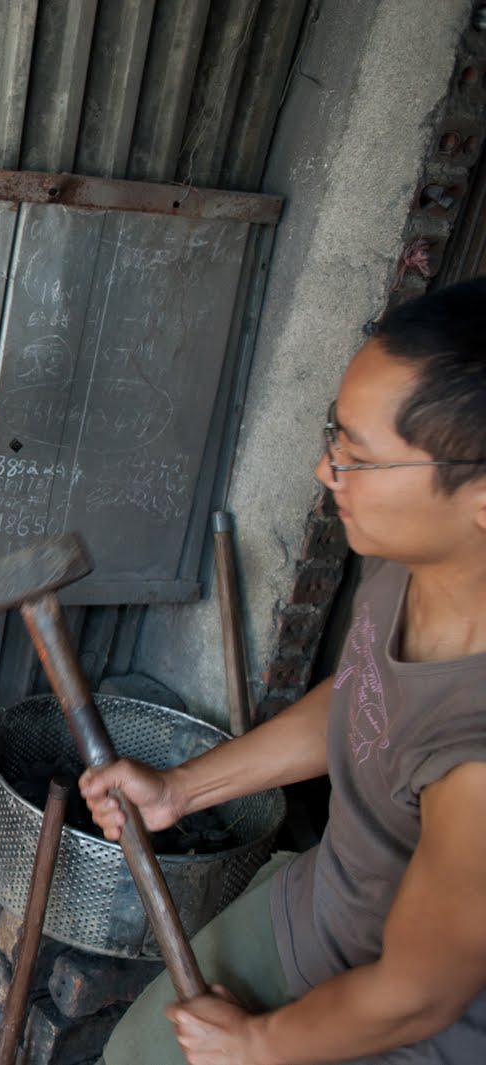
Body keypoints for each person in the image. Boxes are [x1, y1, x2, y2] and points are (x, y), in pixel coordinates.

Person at [82, 276, 486, 1065]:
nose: (324, 471)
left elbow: (419, 991)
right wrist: (181, 789)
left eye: (357, 458)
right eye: (334, 436)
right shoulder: (413, 564)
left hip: (400, 1025)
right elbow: (362, 695)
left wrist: (259, 1046)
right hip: (321, 907)